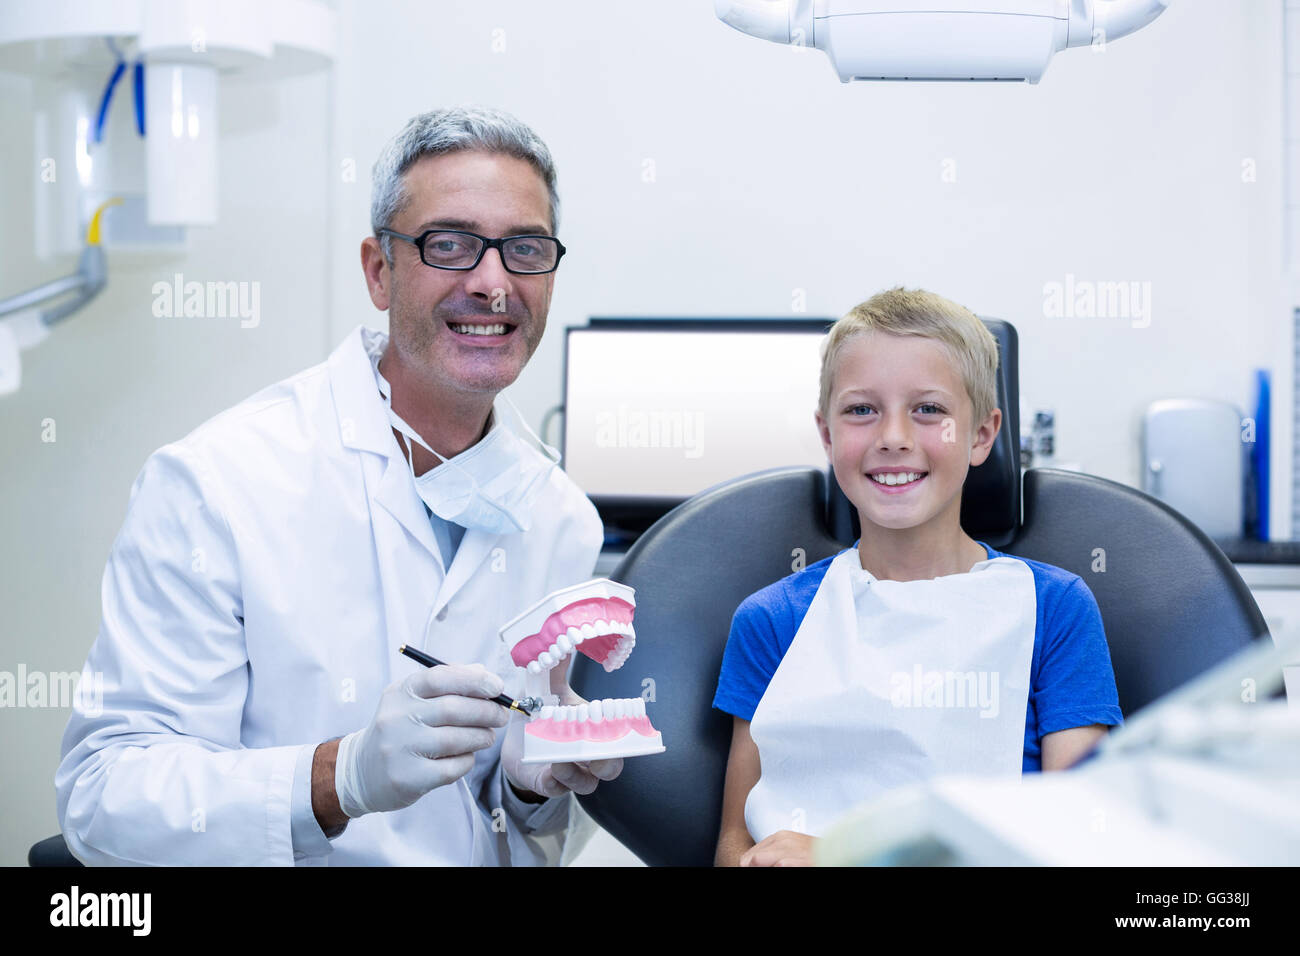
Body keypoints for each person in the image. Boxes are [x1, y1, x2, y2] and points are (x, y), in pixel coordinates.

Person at [55, 106, 622, 866]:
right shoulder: (218, 485)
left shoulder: (560, 519)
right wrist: (338, 777)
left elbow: (517, 838)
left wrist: (530, 787)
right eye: (449, 244)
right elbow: (104, 799)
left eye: (525, 249)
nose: (493, 284)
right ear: (379, 270)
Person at [712, 287, 1124, 867]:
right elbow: (735, 843)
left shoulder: (1052, 609)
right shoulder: (773, 621)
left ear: (982, 435)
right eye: (861, 410)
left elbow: (1082, 844)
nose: (893, 436)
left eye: (929, 409)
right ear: (827, 436)